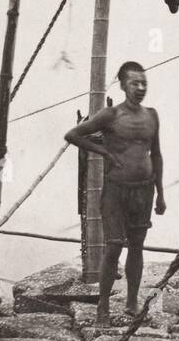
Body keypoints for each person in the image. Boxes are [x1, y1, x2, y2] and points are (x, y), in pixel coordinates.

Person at [64, 61, 166, 325]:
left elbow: (156, 154)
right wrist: (104, 151)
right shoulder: (111, 115)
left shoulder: (152, 115)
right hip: (115, 190)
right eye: (135, 83)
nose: (140, 88)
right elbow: (73, 134)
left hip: (144, 191)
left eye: (144, 83)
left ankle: (132, 303)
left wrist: (161, 193)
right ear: (122, 85)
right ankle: (103, 306)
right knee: (113, 247)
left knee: (137, 246)